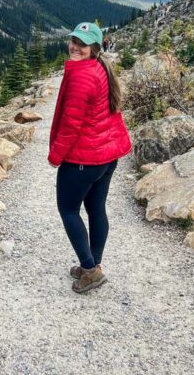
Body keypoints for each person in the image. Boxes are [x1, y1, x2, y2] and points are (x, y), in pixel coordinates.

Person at [48, 22, 132, 293]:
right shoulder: (99, 68)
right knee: (96, 208)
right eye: (74, 40)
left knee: (68, 209)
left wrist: (55, 156)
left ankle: (89, 269)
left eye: (82, 44)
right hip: (106, 155)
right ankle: (93, 264)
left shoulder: (82, 76)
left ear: (94, 49)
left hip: (85, 158)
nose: (75, 47)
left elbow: (72, 124)